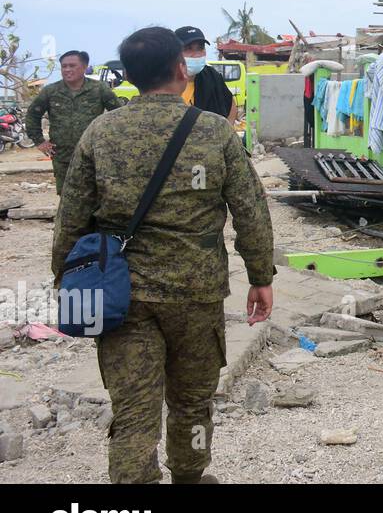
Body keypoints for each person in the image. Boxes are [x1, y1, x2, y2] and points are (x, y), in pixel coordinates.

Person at [53, 27, 275, 484]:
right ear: (180, 68)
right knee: (192, 402)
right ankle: (190, 476)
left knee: (134, 410)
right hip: (196, 294)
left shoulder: (101, 131)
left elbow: (71, 217)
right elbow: (250, 210)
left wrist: (65, 279)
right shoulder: (213, 131)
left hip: (120, 294)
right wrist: (260, 276)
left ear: (130, 76)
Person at [24, 50, 120, 193]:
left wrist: (110, 140)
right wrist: (39, 141)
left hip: (93, 154)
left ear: (84, 67)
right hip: (63, 155)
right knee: (66, 195)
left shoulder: (99, 89)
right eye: (64, 66)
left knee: (95, 194)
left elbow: (117, 113)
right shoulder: (51, 91)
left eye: (72, 66)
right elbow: (32, 115)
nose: (67, 70)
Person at [175, 25, 237, 123]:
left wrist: (228, 131)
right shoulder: (166, 81)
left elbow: (230, 104)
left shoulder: (212, 77)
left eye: (200, 48)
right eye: (188, 48)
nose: (196, 54)